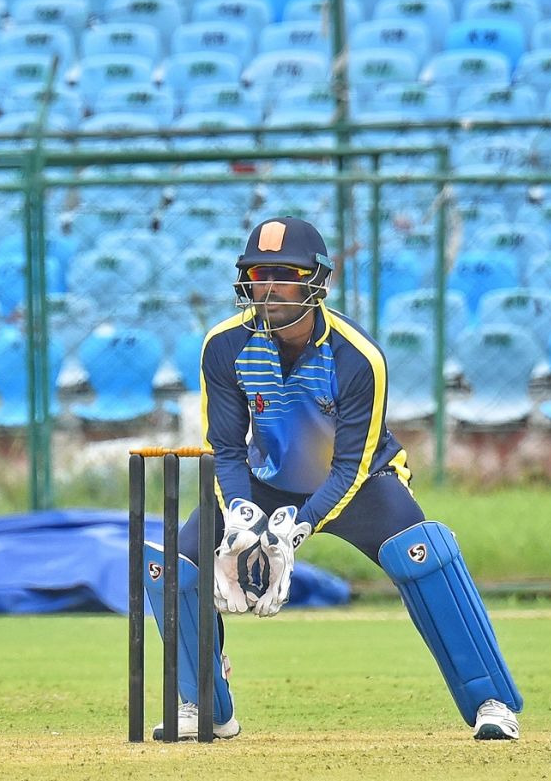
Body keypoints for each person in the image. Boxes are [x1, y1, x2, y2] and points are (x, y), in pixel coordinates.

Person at [148, 216, 522, 742]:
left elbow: (351, 465)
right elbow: (226, 449)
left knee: (423, 554)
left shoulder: (358, 356)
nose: (268, 288)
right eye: (257, 274)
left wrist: (295, 530)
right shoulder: (224, 345)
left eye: (285, 274)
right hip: (266, 480)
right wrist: (240, 516)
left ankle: (491, 700)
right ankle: (205, 706)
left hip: (359, 483)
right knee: (175, 565)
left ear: (318, 281)